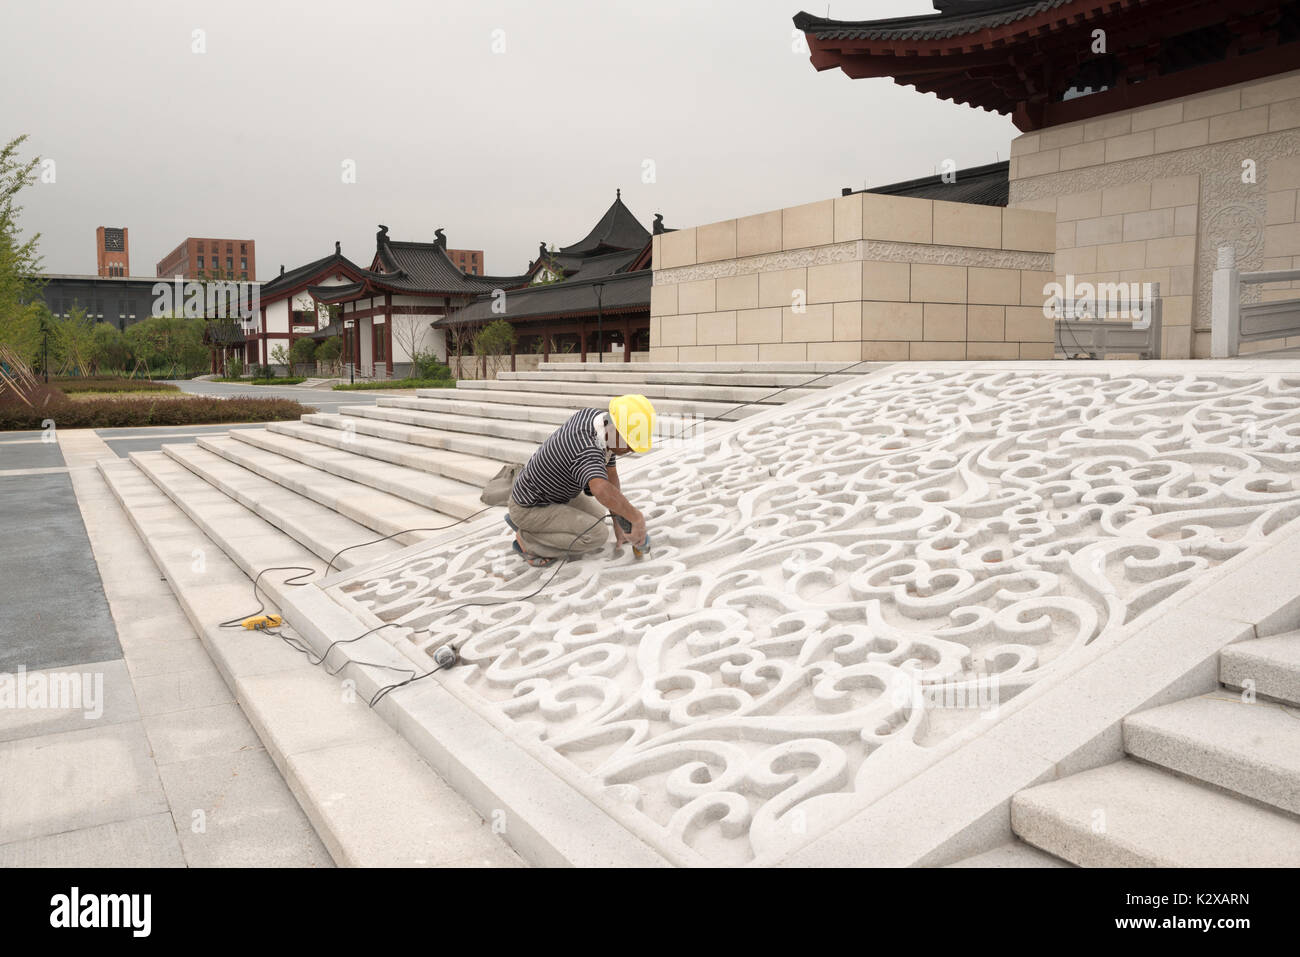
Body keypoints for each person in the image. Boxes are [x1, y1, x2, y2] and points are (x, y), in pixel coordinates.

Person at [507, 394, 654, 567]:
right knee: (596, 535)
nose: (630, 450)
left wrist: (619, 520)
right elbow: (600, 489)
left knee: (599, 516)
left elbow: (610, 474)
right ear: (615, 429)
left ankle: (537, 527)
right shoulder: (586, 446)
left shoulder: (597, 421)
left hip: (552, 493)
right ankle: (528, 541)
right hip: (530, 506)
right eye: (629, 444)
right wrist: (636, 518)